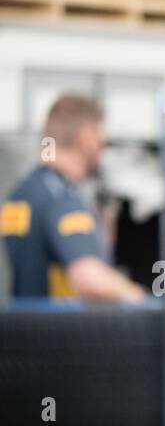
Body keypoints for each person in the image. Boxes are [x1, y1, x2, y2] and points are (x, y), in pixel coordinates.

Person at [1, 94, 144, 302]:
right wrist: (140, 299)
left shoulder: (21, 193)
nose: (102, 150)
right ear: (86, 139)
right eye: (101, 142)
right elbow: (86, 275)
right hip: (58, 330)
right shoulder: (62, 197)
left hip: (19, 328)